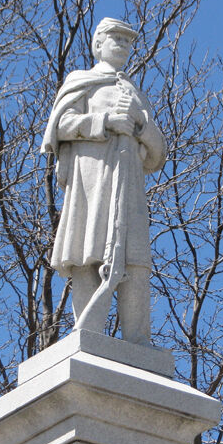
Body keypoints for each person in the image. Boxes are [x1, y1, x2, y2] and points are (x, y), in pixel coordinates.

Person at [41, 18, 167, 343]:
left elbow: (158, 154)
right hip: (91, 184)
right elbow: (61, 127)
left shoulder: (135, 95)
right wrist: (106, 122)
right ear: (98, 43)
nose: (123, 46)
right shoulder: (81, 81)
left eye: (128, 42)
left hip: (130, 194)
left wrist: (140, 125)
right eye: (117, 39)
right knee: (87, 254)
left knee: (135, 263)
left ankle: (138, 342)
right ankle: (88, 332)